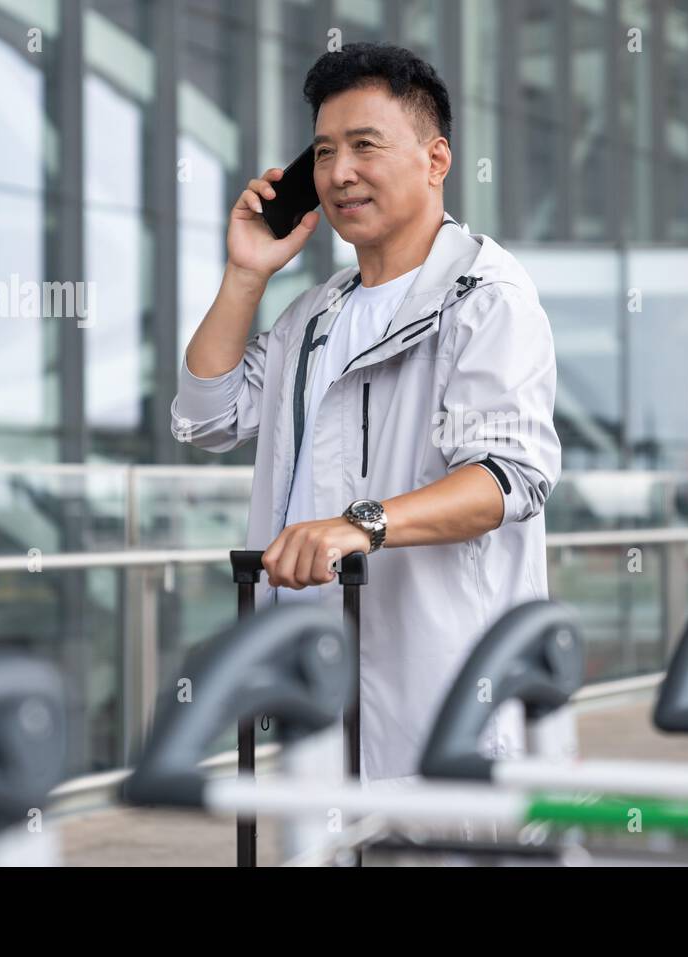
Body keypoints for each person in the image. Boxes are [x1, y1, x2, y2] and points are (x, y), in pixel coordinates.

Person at [172, 43, 561, 784]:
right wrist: (246, 274)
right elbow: (205, 416)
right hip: (319, 692)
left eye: (363, 146)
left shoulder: (486, 298)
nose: (338, 172)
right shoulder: (314, 315)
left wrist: (363, 524)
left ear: (436, 159)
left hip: (446, 696)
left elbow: (509, 476)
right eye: (323, 152)